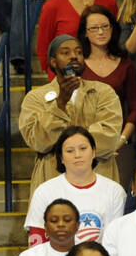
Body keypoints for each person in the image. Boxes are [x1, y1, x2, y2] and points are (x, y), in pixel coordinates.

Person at [19, 37, 122, 197]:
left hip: (99, 179)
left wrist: (59, 143)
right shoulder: (36, 98)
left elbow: (108, 139)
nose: (74, 56)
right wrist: (60, 104)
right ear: (53, 62)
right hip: (52, 179)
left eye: (79, 52)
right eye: (65, 52)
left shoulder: (103, 92)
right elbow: (39, 142)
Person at [22, 125, 125, 246]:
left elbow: (117, 242)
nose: (77, 155)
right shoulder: (44, 191)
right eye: (70, 151)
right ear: (61, 158)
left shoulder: (115, 191)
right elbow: (37, 242)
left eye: (83, 148)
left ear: (93, 152)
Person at [77, 4, 136, 185]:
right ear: (85, 33)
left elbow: (135, 108)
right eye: (94, 28)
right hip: (84, 146)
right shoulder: (78, 66)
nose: (101, 32)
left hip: (119, 145)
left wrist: (120, 140)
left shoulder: (125, 65)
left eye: (105, 26)